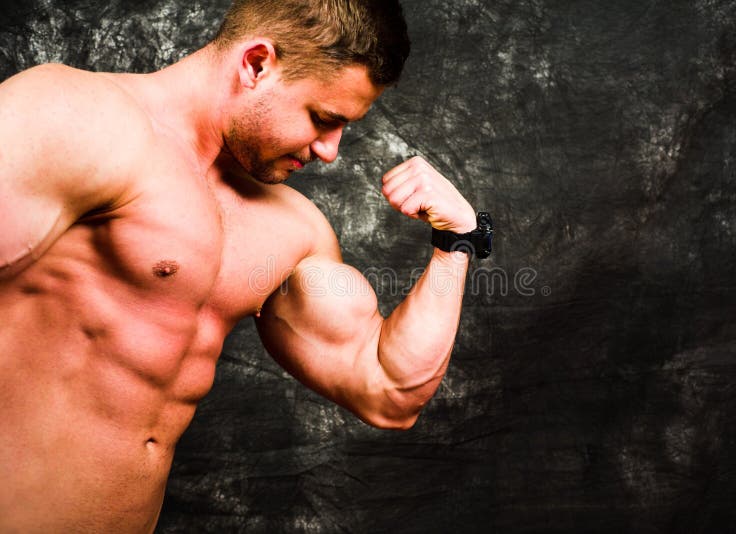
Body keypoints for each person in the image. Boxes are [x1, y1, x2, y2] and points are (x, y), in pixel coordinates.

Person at [0, 0, 491, 531]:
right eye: (323, 119)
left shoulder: (290, 230)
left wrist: (456, 241)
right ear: (257, 64)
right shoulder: (76, 118)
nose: (331, 151)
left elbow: (389, 392)